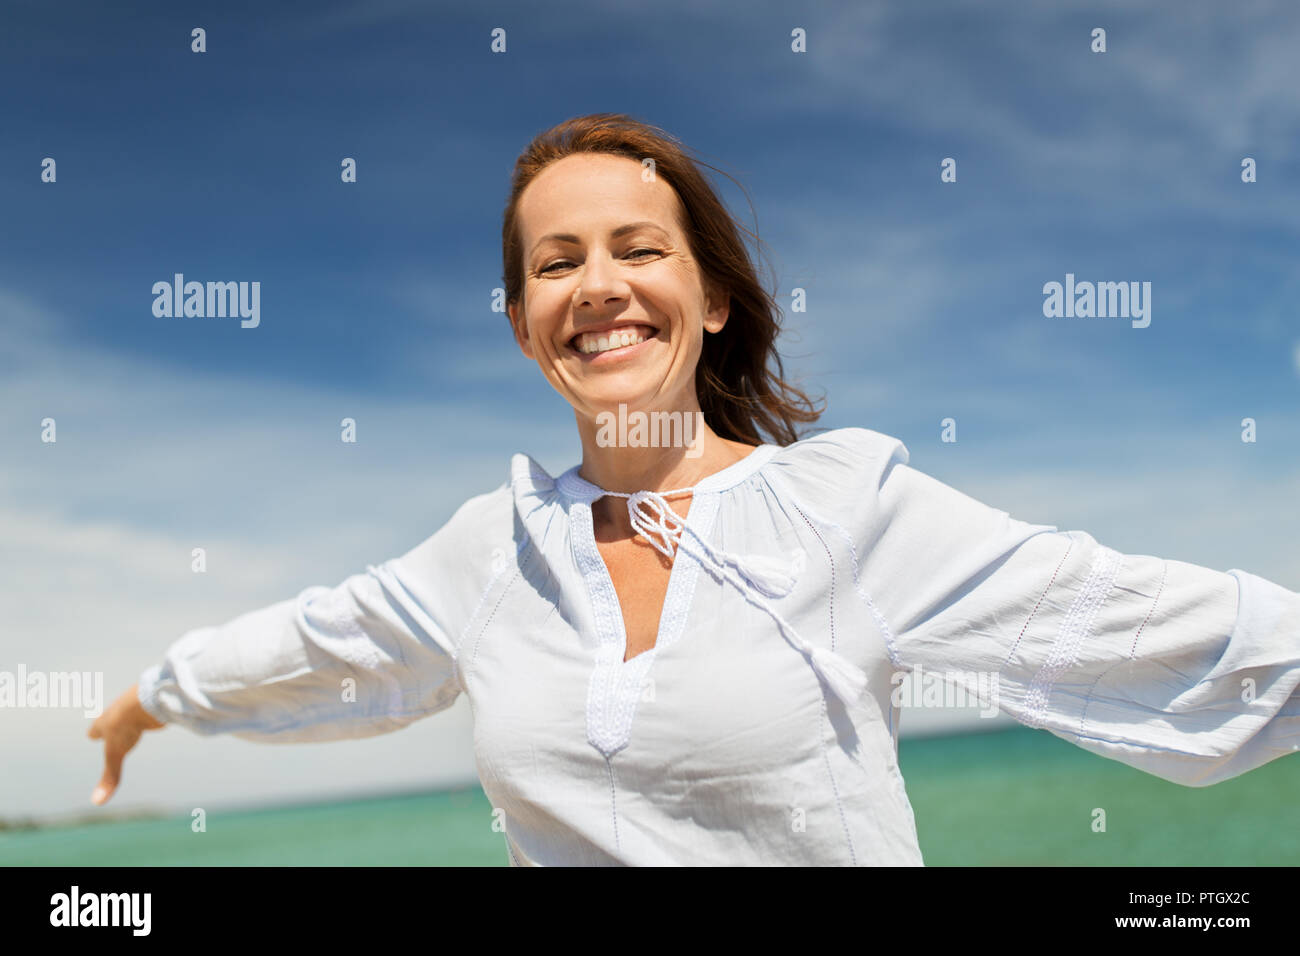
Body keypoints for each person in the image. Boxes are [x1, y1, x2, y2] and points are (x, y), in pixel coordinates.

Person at [88, 113, 1300, 865]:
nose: (598, 283)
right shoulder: (492, 548)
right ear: (522, 328)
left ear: (711, 298)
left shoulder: (847, 511)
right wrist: (150, 695)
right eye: (556, 263)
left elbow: (1143, 620)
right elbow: (314, 641)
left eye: (638, 247)